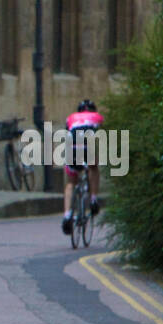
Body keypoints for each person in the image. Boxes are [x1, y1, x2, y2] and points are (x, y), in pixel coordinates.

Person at [62, 99, 104, 235]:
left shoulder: (71, 117)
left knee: (70, 183)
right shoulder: (97, 117)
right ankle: (93, 199)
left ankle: (67, 214)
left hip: (71, 149)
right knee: (93, 167)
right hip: (87, 147)